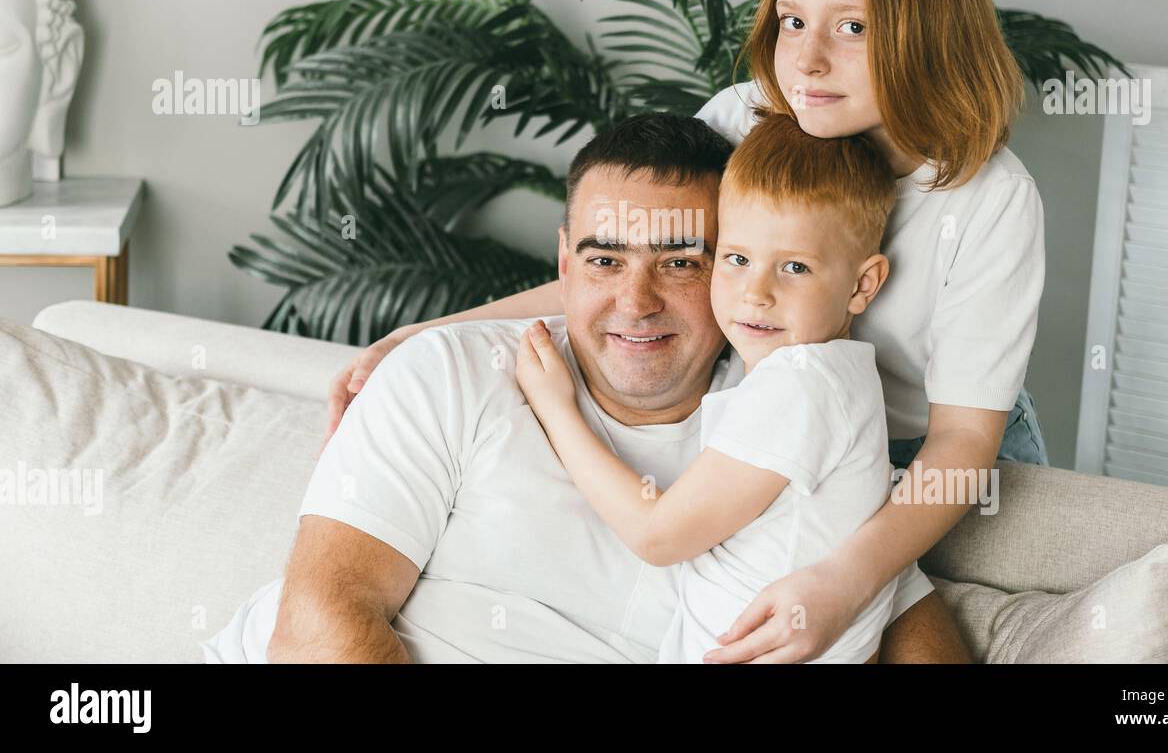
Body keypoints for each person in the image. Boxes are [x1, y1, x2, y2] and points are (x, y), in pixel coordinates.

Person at [323, 0, 1048, 662]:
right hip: (772, 417)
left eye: (853, 28)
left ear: (926, 32)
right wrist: (429, 332)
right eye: (793, 21)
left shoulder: (989, 201)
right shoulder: (748, 119)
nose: (805, 58)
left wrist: (846, 579)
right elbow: (635, 270)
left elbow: (964, 443)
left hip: (920, 445)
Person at [202, 113, 971, 663]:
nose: (635, 302)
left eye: (681, 263)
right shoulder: (451, 374)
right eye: (605, 261)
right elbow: (320, 626)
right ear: (564, 264)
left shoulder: (779, 411)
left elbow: (894, 603)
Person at [515, 113, 909, 663]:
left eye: (794, 267)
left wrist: (556, 409)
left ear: (862, 285)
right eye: (738, 259)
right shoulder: (832, 374)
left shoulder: (801, 388)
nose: (756, 294)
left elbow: (658, 536)